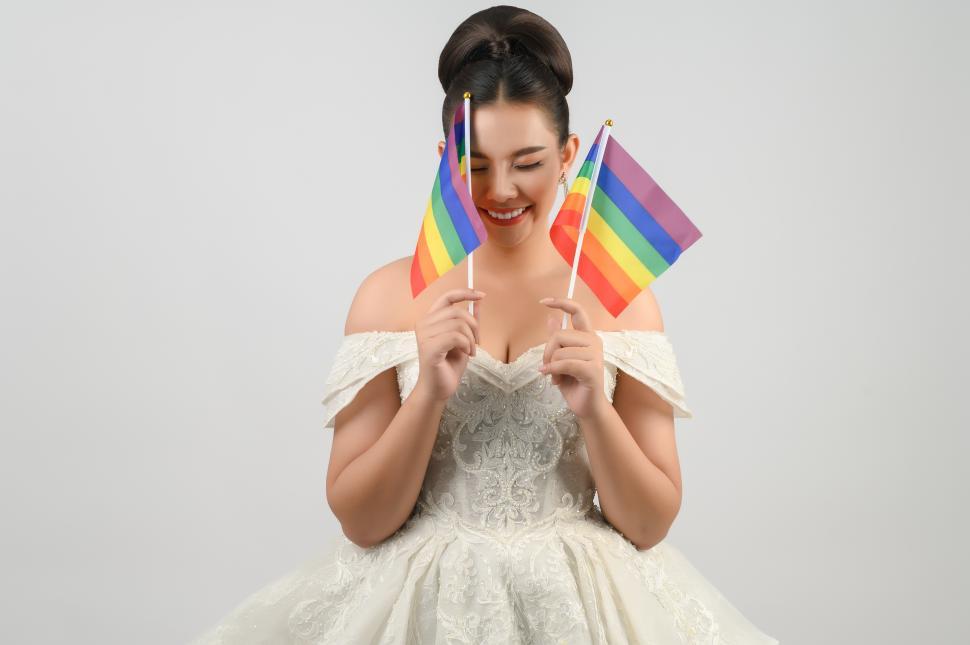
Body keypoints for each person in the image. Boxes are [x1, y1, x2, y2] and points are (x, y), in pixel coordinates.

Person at [192, 6, 779, 644]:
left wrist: (596, 411)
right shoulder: (390, 296)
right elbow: (361, 522)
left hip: (582, 609)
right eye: (475, 165)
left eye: (527, 162)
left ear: (567, 157)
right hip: (421, 608)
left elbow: (648, 524)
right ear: (445, 157)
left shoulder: (622, 301)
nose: (500, 190)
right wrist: (427, 396)